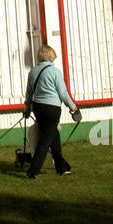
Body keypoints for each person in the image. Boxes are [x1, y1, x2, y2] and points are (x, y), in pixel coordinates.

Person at [23, 45, 80, 179]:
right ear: (50, 56)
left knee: (53, 137)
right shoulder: (55, 72)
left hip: (37, 108)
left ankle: (62, 168)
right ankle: (33, 170)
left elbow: (29, 93)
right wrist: (73, 107)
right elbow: (63, 93)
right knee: (46, 140)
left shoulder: (32, 72)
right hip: (52, 108)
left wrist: (26, 109)